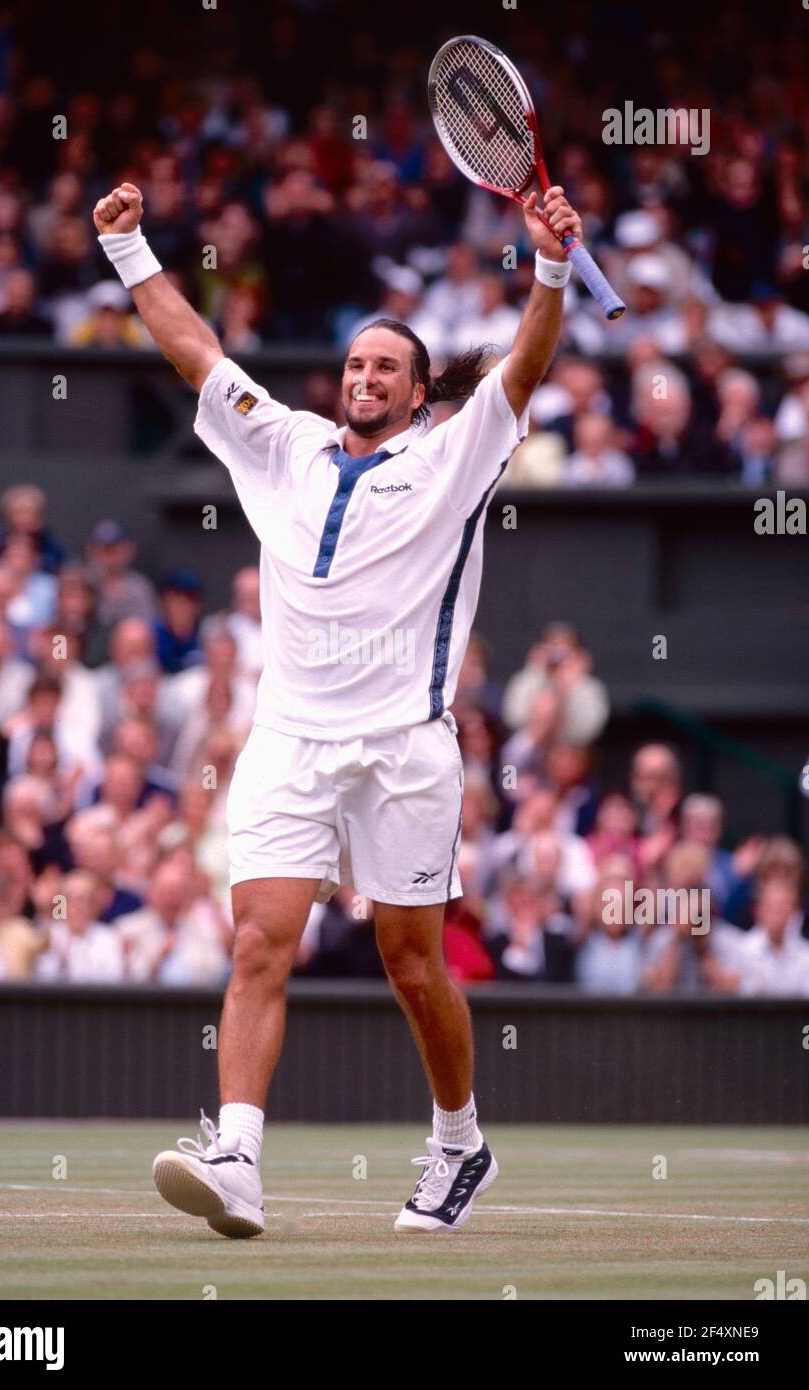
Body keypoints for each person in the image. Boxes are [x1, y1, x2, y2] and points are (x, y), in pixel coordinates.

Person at [93, 175, 586, 1238]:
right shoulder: (283, 443)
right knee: (258, 943)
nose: (365, 377)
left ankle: (459, 1142)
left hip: (404, 750)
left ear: (416, 393)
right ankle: (236, 1158)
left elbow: (527, 362)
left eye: (386, 368)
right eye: (356, 363)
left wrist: (547, 265)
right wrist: (131, 250)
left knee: (411, 963)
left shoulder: (456, 453)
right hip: (286, 742)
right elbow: (194, 351)